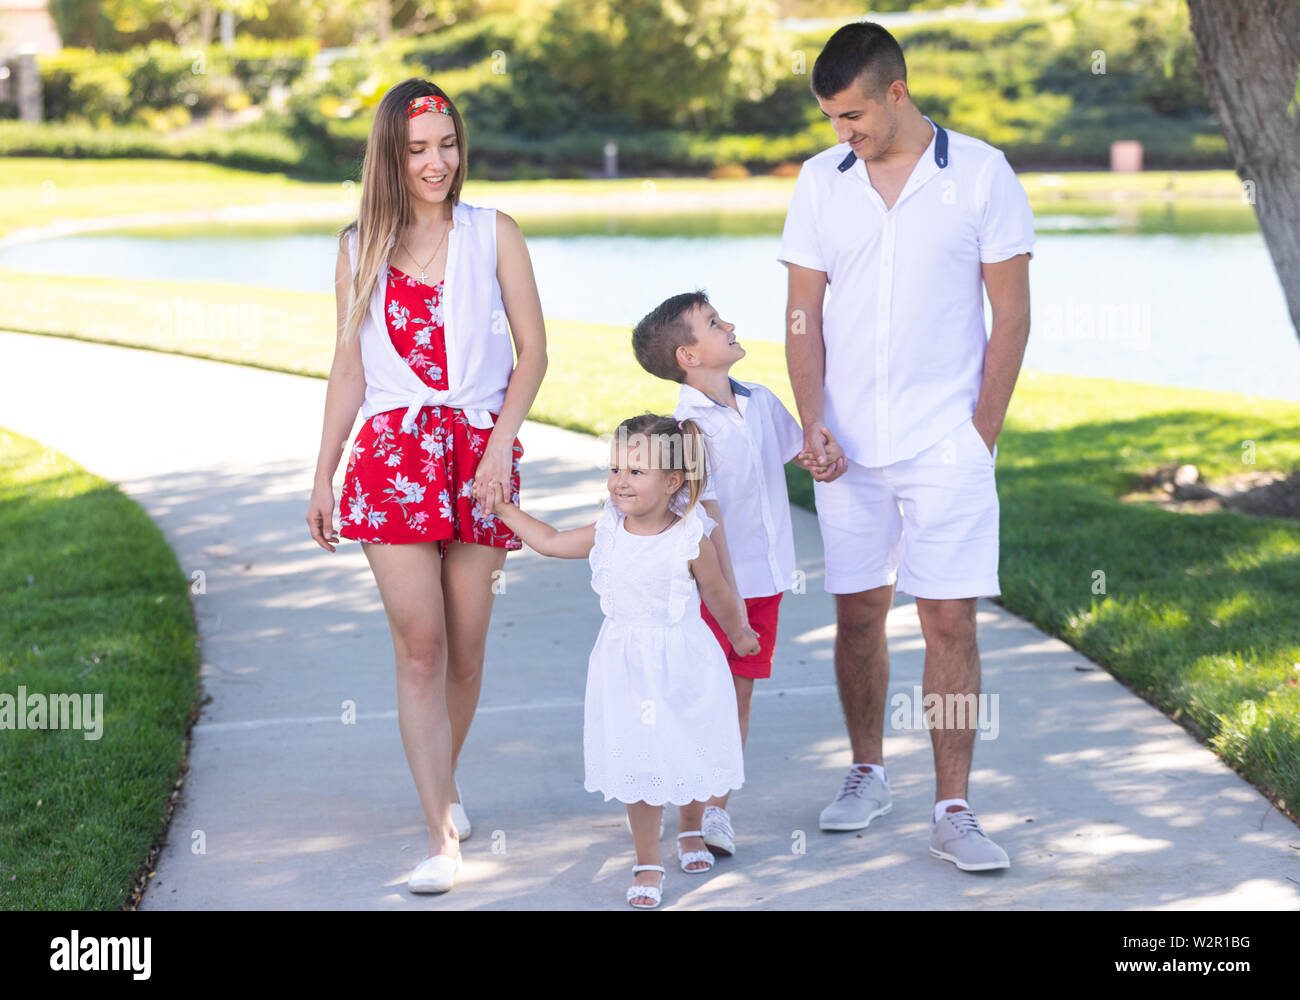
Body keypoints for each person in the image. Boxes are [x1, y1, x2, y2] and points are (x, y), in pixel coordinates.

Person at [779, 22, 1034, 871]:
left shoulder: (984, 174)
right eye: (829, 118)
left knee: (949, 619)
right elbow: (802, 314)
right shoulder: (821, 182)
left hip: (945, 445)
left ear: (897, 92)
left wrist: (979, 437)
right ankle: (865, 771)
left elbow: (1013, 315)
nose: (838, 133)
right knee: (857, 612)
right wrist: (812, 419)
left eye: (851, 115)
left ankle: (953, 808)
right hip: (848, 446)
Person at [305, 79, 548, 894]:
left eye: (447, 144)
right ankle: (442, 835)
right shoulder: (356, 248)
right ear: (390, 155)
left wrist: (500, 444)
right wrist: (325, 469)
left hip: (479, 454)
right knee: (421, 649)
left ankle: (445, 780)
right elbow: (347, 367)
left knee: (466, 653)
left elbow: (534, 351)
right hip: (391, 459)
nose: (436, 161)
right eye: (418, 149)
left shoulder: (494, 234)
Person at [483, 414, 757, 908]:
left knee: (687, 748)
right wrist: (502, 508)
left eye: (635, 472)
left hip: (684, 663)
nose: (619, 482)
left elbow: (717, 593)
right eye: (614, 469)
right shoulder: (608, 530)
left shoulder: (689, 535)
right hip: (626, 668)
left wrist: (739, 633)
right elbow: (548, 541)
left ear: (673, 481)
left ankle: (691, 830)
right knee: (641, 758)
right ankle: (647, 857)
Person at [631, 291, 844, 869]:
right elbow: (712, 521)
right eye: (713, 323)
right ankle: (688, 819)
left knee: (740, 690)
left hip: (767, 579)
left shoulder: (761, 402)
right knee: (705, 694)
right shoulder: (688, 430)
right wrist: (726, 602)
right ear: (689, 356)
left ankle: (714, 805)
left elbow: (799, 451)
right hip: (719, 588)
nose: (729, 325)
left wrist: (822, 454)